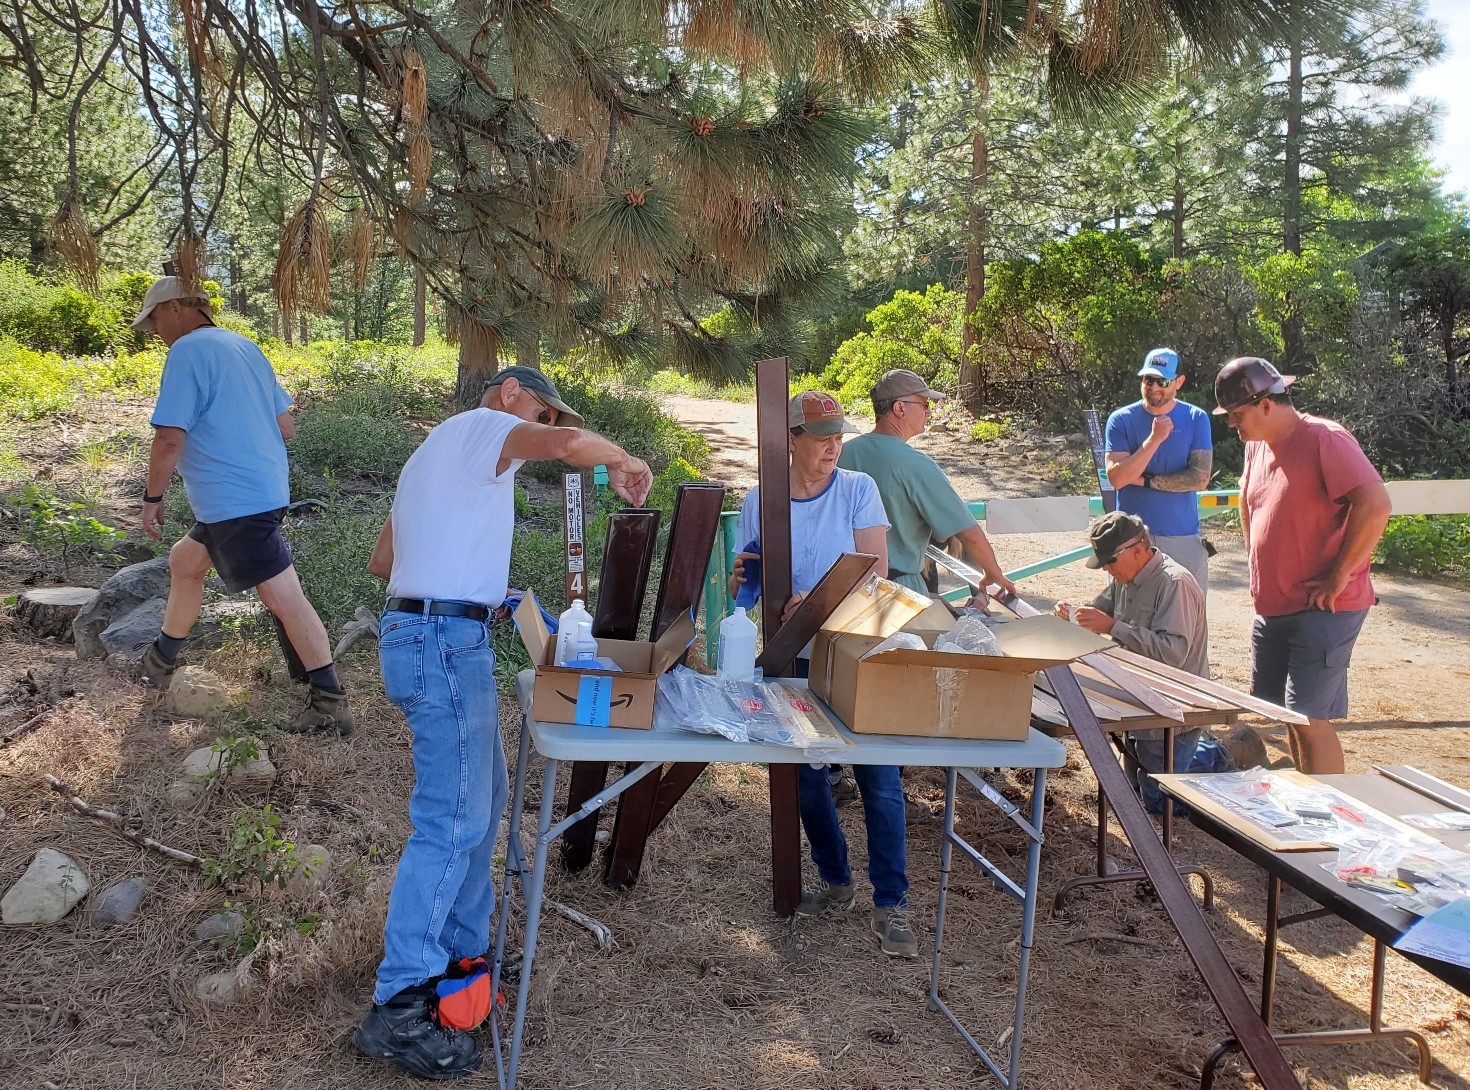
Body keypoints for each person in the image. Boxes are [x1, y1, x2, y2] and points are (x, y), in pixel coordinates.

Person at [354, 366, 652, 1079]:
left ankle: (464, 956)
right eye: (540, 414)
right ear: (510, 394)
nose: (544, 430)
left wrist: (477, 587)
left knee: (480, 812)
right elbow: (571, 445)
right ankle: (400, 1002)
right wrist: (623, 459)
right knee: (451, 822)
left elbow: (383, 561)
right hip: (441, 646)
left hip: (433, 635)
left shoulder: (435, 454)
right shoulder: (481, 427)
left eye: (548, 420)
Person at [727, 391, 917, 959]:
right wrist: (744, 578)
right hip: (794, 657)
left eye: (838, 434)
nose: (834, 445)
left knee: (878, 779)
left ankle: (893, 903)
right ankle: (837, 880)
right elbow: (749, 588)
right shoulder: (762, 498)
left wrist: (819, 603)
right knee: (805, 777)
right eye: (820, 435)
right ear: (791, 440)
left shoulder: (859, 489)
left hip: (859, 653)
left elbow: (875, 576)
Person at [131, 276, 352, 735]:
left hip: (235, 502)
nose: (154, 332)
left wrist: (152, 497)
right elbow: (286, 426)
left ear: (174, 309)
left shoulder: (188, 351)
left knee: (284, 597)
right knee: (186, 562)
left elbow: (170, 435)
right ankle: (160, 660)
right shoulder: (244, 347)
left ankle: (330, 702)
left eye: (154, 320)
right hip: (256, 492)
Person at [1215, 357, 1391, 774]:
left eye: (1237, 415)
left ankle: (1329, 817)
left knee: (1311, 716)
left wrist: (1340, 575)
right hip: (1276, 604)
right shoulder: (1256, 446)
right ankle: (1306, 799)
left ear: (1266, 405)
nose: (1232, 425)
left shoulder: (1325, 439)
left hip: (1323, 605)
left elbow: (1376, 505)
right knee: (1287, 714)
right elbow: (1248, 500)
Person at [1054, 512, 1208, 812]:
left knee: (1159, 804)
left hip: (1172, 709)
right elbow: (1099, 611)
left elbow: (1174, 652)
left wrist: (1112, 627)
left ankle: (1217, 765)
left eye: (1111, 562)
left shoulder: (1175, 583)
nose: (1108, 570)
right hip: (1138, 700)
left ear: (1138, 549)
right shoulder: (1124, 578)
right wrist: (1073, 613)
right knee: (1136, 794)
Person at [837, 368, 1015, 605]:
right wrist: (992, 573)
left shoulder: (841, 454)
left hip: (842, 590)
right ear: (900, 408)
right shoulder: (916, 464)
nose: (929, 412)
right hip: (899, 594)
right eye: (923, 404)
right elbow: (968, 533)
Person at [1104, 347, 1214, 601]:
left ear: (1178, 382)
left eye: (1162, 381)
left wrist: (1145, 479)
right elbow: (1118, 478)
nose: (1154, 387)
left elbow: (1199, 479)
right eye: (1148, 380)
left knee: (1186, 618)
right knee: (1128, 620)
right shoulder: (1121, 420)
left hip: (1181, 536)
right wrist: (1154, 440)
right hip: (1129, 539)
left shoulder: (1196, 418)